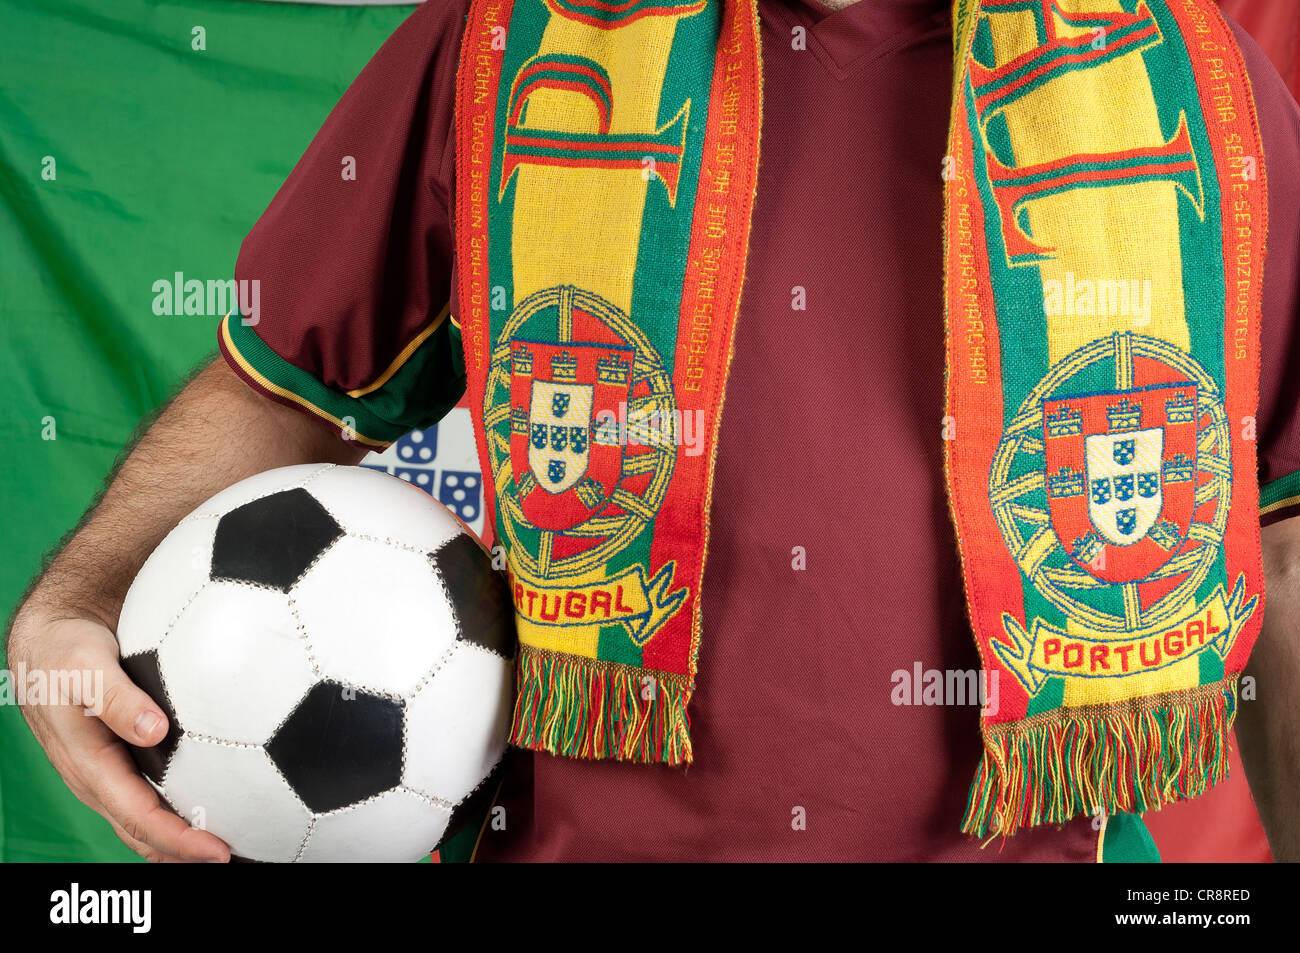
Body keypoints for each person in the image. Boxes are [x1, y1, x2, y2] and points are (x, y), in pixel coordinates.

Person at [7, 0, 1300, 862]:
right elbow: (285, 382)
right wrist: (80, 594)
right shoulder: (510, 42)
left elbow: (1289, 543)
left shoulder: (1195, 95)